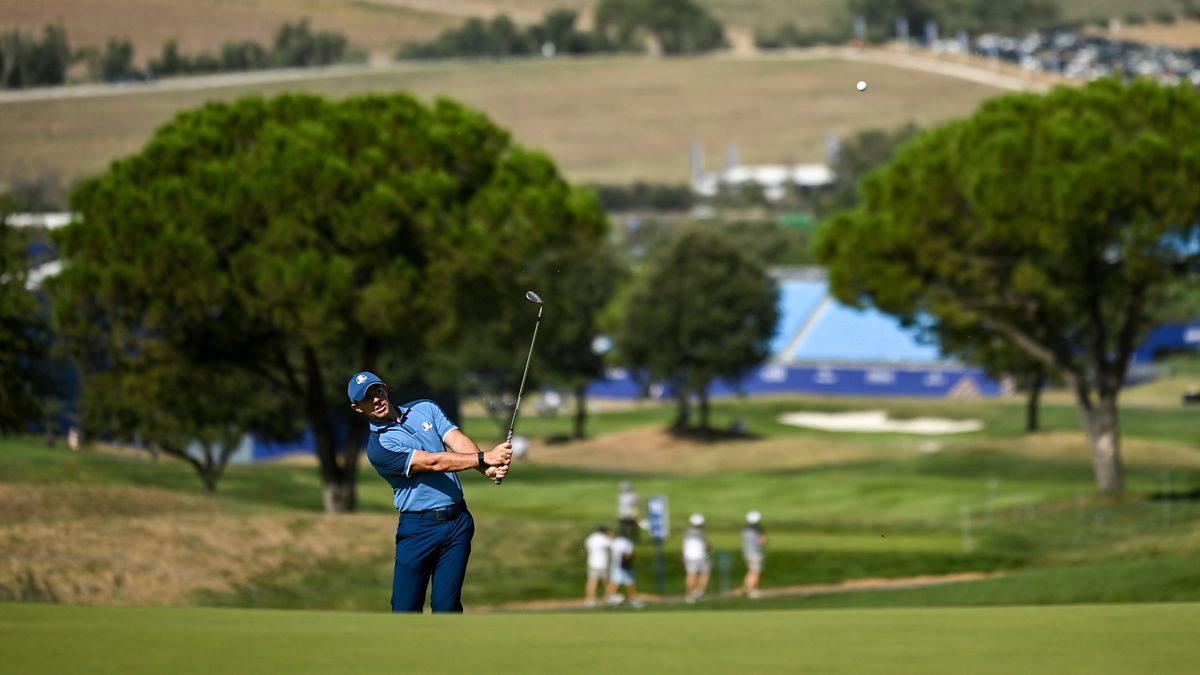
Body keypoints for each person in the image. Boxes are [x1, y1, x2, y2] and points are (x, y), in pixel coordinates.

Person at [348, 370, 512, 613]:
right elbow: (433, 462)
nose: (376, 400)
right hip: (417, 529)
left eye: (377, 391)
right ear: (358, 408)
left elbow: (455, 440)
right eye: (367, 398)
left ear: (385, 388)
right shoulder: (379, 447)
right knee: (405, 609)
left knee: (446, 607)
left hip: (457, 522)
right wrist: (484, 456)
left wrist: (485, 468)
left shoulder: (425, 407)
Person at [605, 527, 643, 608]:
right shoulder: (627, 542)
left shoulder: (615, 542)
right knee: (629, 582)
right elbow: (628, 555)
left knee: (615, 582)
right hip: (623, 566)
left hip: (614, 564)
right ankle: (632, 599)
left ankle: (610, 598)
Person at [682, 513, 710, 603]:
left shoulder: (686, 532)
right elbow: (706, 547)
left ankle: (689, 595)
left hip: (688, 557)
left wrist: (683, 556)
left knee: (691, 575)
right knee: (705, 573)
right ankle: (698, 592)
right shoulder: (702, 532)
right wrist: (707, 558)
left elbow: (684, 546)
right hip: (702, 556)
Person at [583, 525, 613, 607]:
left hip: (592, 562)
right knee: (606, 581)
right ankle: (609, 597)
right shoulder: (603, 539)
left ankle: (590, 599)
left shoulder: (590, 538)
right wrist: (610, 536)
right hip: (602, 563)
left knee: (592, 581)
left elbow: (588, 549)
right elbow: (612, 545)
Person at [741, 510, 767, 598]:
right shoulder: (758, 529)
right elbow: (762, 541)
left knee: (751, 571)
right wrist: (764, 541)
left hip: (747, 553)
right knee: (756, 572)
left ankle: (745, 588)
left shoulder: (745, 528)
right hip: (755, 553)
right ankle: (753, 590)